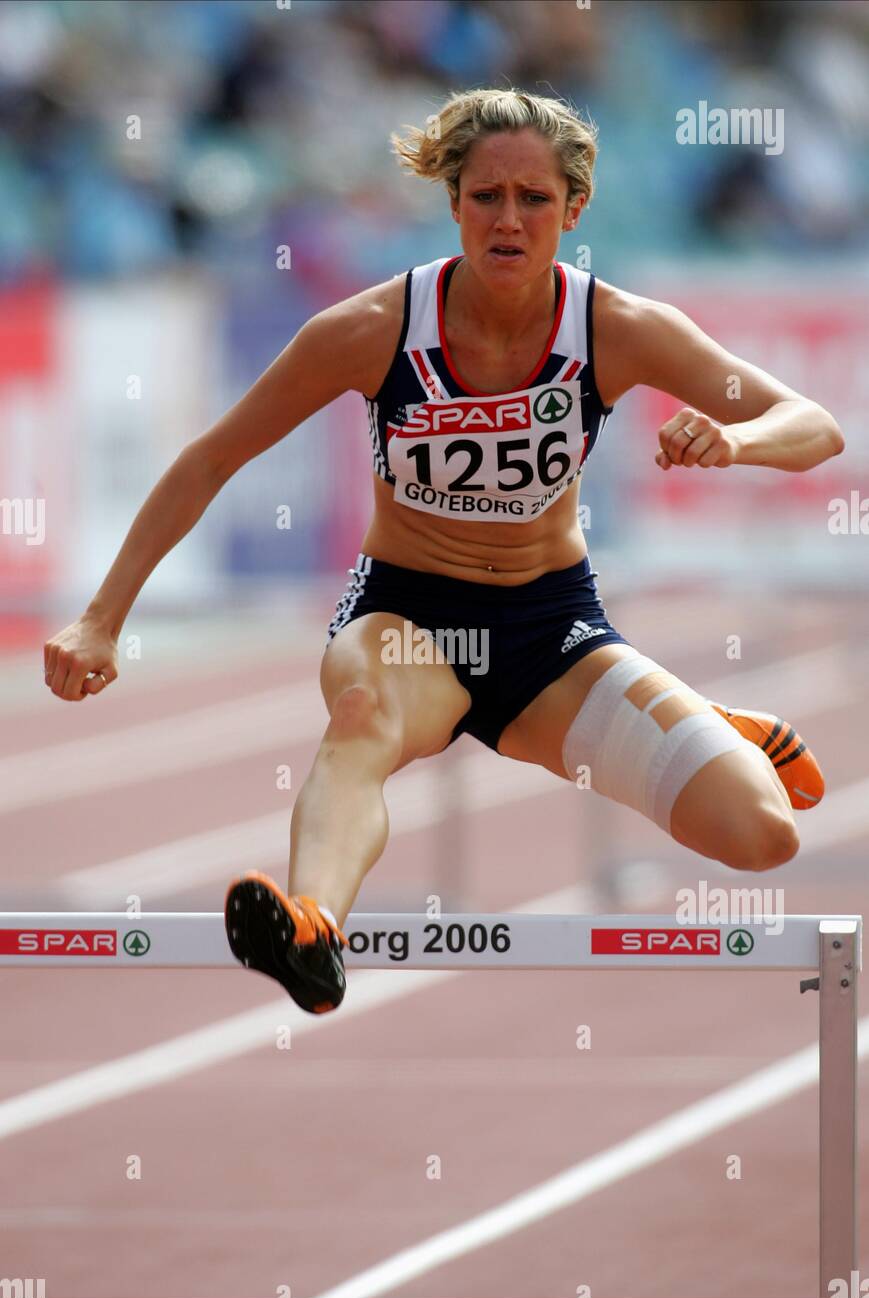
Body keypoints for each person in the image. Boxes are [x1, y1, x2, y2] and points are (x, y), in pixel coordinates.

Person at [44, 88, 843, 1018]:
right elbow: (210, 457)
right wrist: (103, 619)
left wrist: (734, 443)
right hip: (406, 617)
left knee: (760, 836)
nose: (508, 220)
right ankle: (312, 930)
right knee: (359, 716)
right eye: (486, 197)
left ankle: (717, 723)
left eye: (533, 200)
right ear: (453, 203)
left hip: (552, 634)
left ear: (572, 209)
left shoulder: (616, 328)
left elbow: (813, 425)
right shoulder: (372, 328)